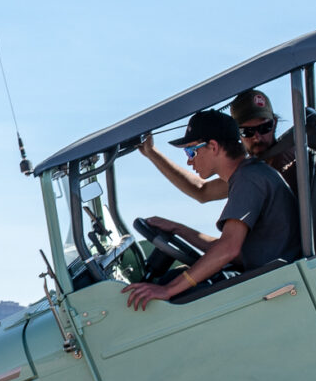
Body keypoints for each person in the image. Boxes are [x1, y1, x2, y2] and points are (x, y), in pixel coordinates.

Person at [125, 110, 299, 310]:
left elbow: (228, 248)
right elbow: (233, 250)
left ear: (213, 146)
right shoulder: (249, 174)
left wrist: (168, 290)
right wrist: (178, 229)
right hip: (269, 279)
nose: (189, 161)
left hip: (273, 285)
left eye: (191, 151)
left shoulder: (248, 179)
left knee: (174, 292)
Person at [139, 88, 316, 201]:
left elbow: (233, 248)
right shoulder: (251, 170)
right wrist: (151, 153)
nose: (257, 137)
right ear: (237, 134)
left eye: (265, 128)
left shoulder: (289, 159)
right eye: (247, 132)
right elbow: (202, 191)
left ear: (274, 123)